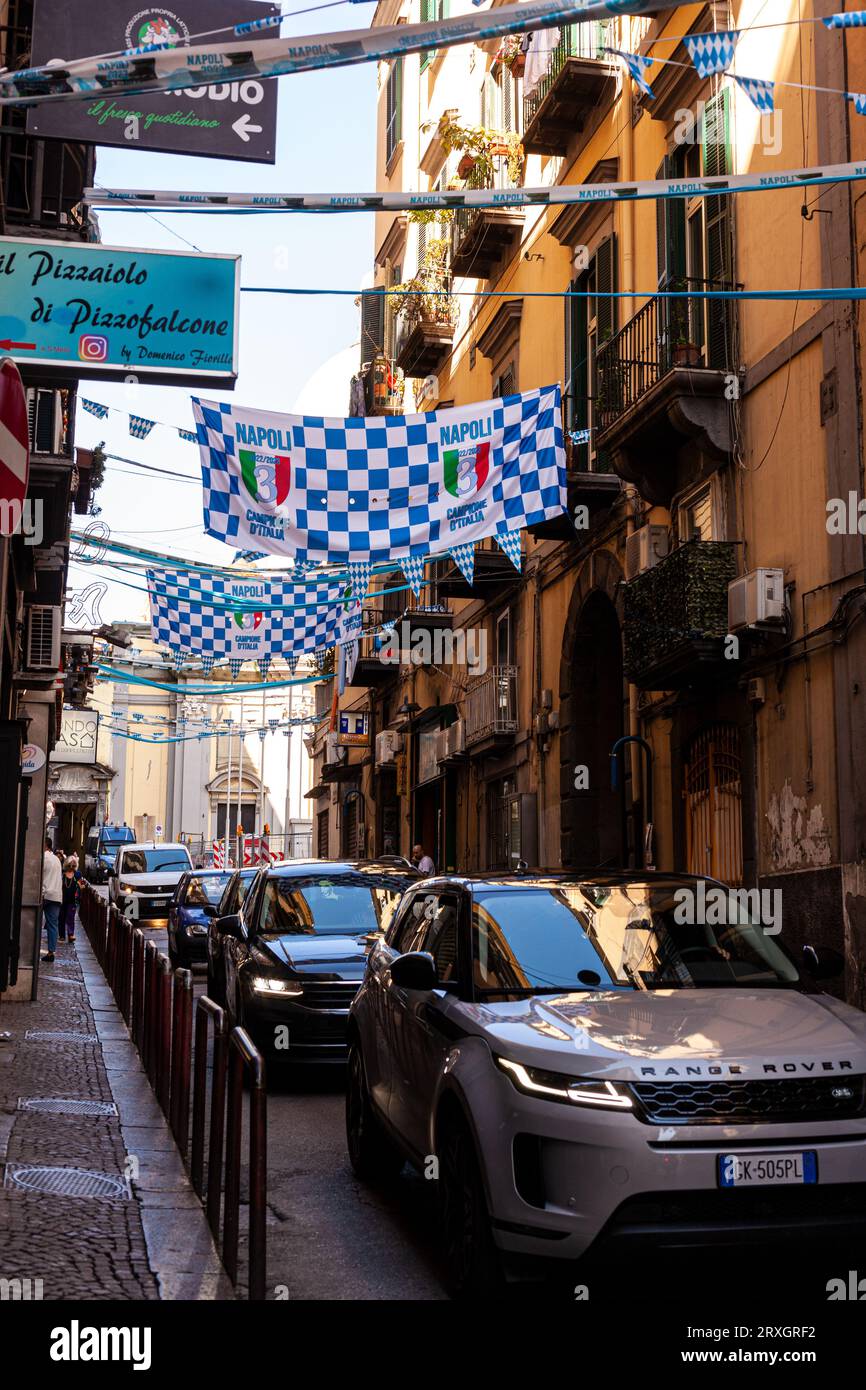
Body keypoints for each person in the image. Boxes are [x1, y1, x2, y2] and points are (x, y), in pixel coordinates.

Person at [42, 837, 62, 963]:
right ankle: (51, 952)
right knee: (53, 925)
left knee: (33, 921)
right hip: (56, 895)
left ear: (45, 845)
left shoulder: (44, 858)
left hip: (45, 893)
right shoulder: (57, 859)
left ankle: (29, 951)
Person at [60, 858, 79, 945]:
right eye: (70, 864)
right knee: (61, 918)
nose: (72, 866)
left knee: (71, 918)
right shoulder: (63, 875)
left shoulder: (77, 875)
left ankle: (70, 935)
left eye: (73, 864)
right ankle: (62, 935)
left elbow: (81, 885)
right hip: (62, 900)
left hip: (72, 901)